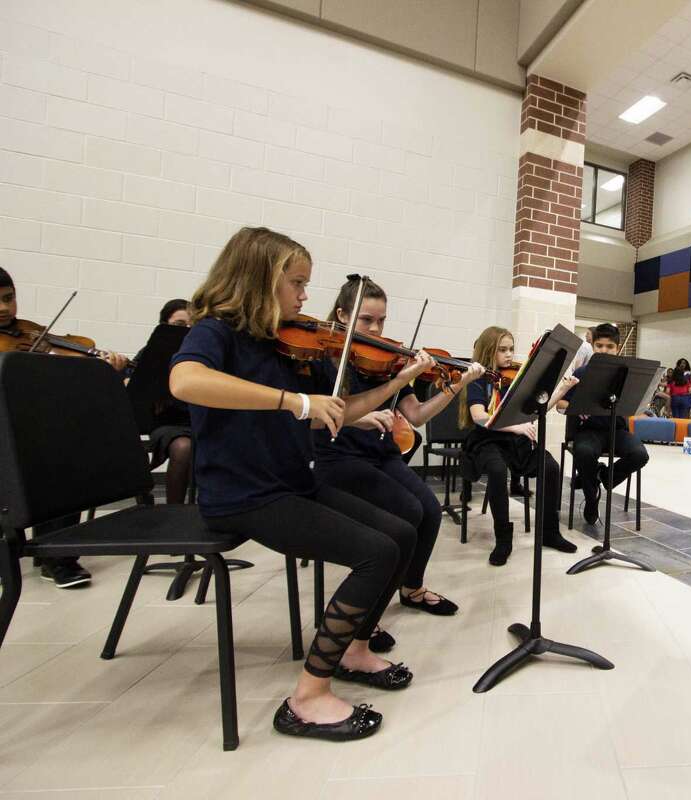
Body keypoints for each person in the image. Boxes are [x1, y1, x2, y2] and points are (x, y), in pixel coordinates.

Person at [169, 226, 425, 742]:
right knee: (375, 552)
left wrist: (396, 383)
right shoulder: (214, 331)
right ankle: (307, 699)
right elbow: (185, 381)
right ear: (260, 279)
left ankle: (352, 648)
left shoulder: (284, 345)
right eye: (298, 284)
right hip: (242, 496)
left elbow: (335, 412)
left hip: (289, 484)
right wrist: (292, 401)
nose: (305, 297)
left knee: (403, 531)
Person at [315, 277, 484, 629]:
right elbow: (322, 416)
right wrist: (360, 416)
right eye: (367, 320)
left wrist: (458, 385)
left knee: (430, 510)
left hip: (382, 456)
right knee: (407, 512)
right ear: (343, 316)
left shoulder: (389, 362)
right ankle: (365, 608)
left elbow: (417, 415)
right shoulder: (325, 358)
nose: (376, 329)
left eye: (381, 321)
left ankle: (412, 587)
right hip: (339, 459)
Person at [0, 266, 128, 589]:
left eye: (8, 299)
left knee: (67, 455)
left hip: (33, 428)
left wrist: (102, 365)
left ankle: (58, 555)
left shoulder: (32, 333)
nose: (4, 308)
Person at [458, 326, 578, 566]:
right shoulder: (478, 380)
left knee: (551, 467)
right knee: (497, 469)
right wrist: (514, 427)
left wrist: (563, 389)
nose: (509, 355)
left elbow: (537, 410)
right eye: (502, 350)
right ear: (488, 351)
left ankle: (549, 532)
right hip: (487, 440)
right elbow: (479, 416)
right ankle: (503, 538)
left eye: (511, 349)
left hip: (514, 442)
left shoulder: (515, 378)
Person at [555, 323, 650, 525]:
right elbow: (561, 402)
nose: (604, 350)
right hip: (588, 430)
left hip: (617, 430)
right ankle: (591, 498)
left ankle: (602, 477)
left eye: (609, 347)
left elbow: (636, 406)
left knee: (640, 454)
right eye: (599, 346)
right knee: (585, 452)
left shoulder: (628, 375)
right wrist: (577, 406)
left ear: (618, 348)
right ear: (593, 346)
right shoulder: (581, 373)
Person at [127, 299, 195, 506]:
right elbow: (132, 387)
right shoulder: (151, 353)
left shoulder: (205, 353)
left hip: (200, 420)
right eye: (179, 325)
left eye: (193, 325)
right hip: (167, 422)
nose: (187, 331)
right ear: (164, 324)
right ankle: (173, 511)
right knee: (183, 446)